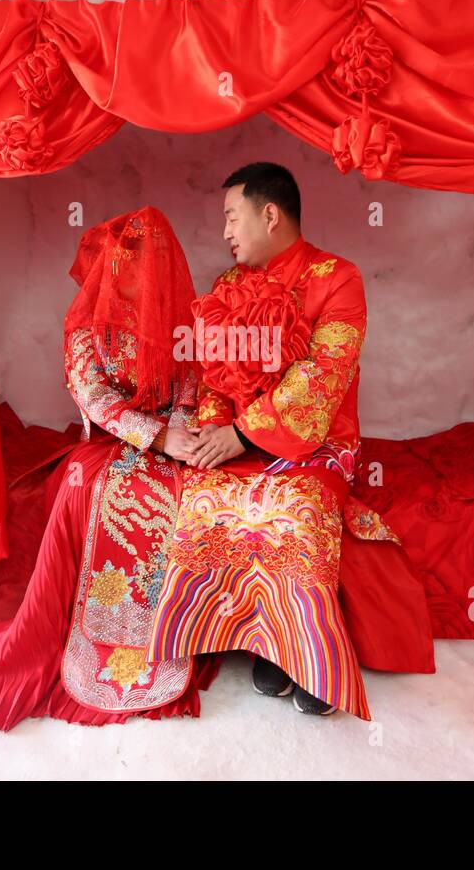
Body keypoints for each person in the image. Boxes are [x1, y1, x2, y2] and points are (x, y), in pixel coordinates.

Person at [0, 205, 219, 731]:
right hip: (112, 441)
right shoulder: (88, 324)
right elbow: (91, 395)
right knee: (90, 489)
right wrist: (155, 436)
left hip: (171, 443)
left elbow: (188, 387)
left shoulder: (180, 319)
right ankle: (92, 640)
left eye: (160, 262)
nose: (151, 274)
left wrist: (180, 432)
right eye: (138, 264)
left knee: (194, 491)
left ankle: (177, 631)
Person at [145, 162, 378, 718]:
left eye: (231, 216)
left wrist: (243, 432)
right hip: (237, 439)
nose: (225, 231)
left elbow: (323, 376)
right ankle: (258, 639)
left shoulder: (338, 277)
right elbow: (213, 373)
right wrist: (211, 434)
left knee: (296, 509)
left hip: (315, 442)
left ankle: (305, 655)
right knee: (207, 501)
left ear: (269, 214)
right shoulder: (227, 286)